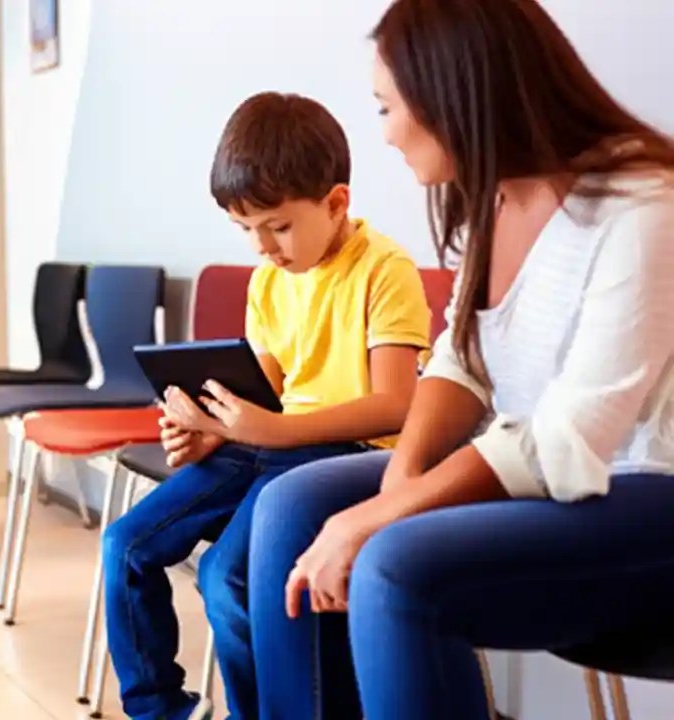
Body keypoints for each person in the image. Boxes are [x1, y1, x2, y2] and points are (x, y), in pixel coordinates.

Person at [244, 1, 674, 718]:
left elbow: (568, 441)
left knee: (394, 568)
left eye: (386, 107)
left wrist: (384, 515)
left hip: (643, 487)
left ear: (452, 88)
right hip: (544, 476)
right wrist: (401, 479)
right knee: (289, 505)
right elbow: (461, 362)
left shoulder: (643, 203)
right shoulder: (494, 199)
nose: (382, 133)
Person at [101, 92, 433, 720]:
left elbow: (394, 406)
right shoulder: (269, 280)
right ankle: (163, 712)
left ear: (336, 203)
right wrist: (211, 432)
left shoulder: (385, 269)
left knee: (226, 578)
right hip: (267, 446)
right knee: (126, 545)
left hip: (342, 454)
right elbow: (265, 389)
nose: (263, 247)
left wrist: (271, 429)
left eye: (277, 226)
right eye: (246, 230)